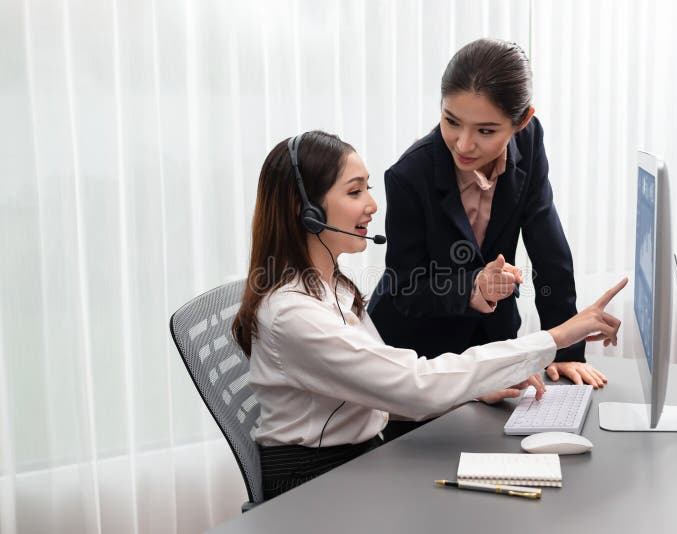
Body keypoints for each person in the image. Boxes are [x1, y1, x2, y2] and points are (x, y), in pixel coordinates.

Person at [232, 130, 626, 501]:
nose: (371, 205)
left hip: (357, 459)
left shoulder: (330, 286)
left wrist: (476, 387)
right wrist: (556, 338)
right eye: (355, 192)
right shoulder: (293, 313)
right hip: (314, 488)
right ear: (308, 213)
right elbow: (412, 383)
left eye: (366, 188)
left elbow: (381, 388)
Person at [369, 39, 605, 411]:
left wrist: (565, 350)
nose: (463, 144)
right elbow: (405, 288)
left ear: (521, 120)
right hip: (420, 354)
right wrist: (471, 288)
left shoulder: (529, 140)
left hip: (492, 344)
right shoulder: (408, 176)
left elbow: (549, 249)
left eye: (486, 131)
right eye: (451, 121)